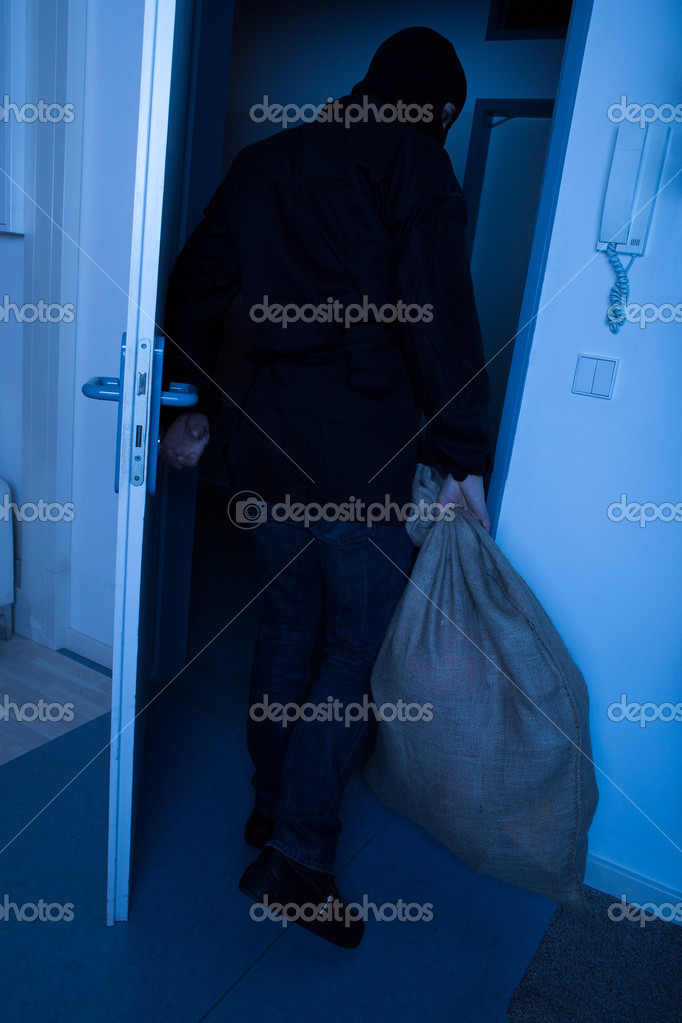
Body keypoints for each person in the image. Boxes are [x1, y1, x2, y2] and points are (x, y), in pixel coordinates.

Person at [160, 26, 494, 948]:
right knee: (349, 655)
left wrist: (187, 406)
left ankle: (270, 810)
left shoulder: (267, 161)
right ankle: (300, 857)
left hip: (266, 449)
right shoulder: (419, 167)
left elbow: (196, 284)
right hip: (362, 462)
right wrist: (466, 461)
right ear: (440, 110)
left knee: (283, 629)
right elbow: (440, 323)